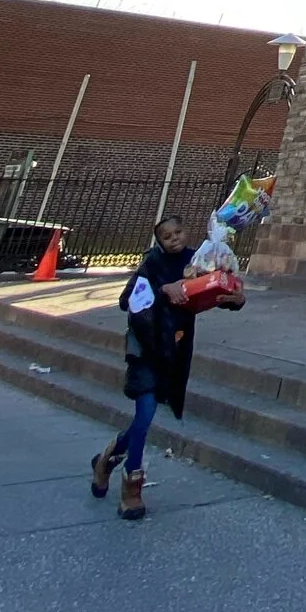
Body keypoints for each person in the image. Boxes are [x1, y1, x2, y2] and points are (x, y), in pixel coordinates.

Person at [91, 214, 197, 522]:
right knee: (146, 412)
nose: (174, 239)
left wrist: (235, 298)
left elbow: (210, 292)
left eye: (179, 232)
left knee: (144, 418)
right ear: (159, 241)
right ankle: (131, 487)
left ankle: (107, 459)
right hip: (147, 347)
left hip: (174, 349)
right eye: (167, 236)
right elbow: (127, 300)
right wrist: (164, 289)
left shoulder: (196, 261)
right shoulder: (151, 264)